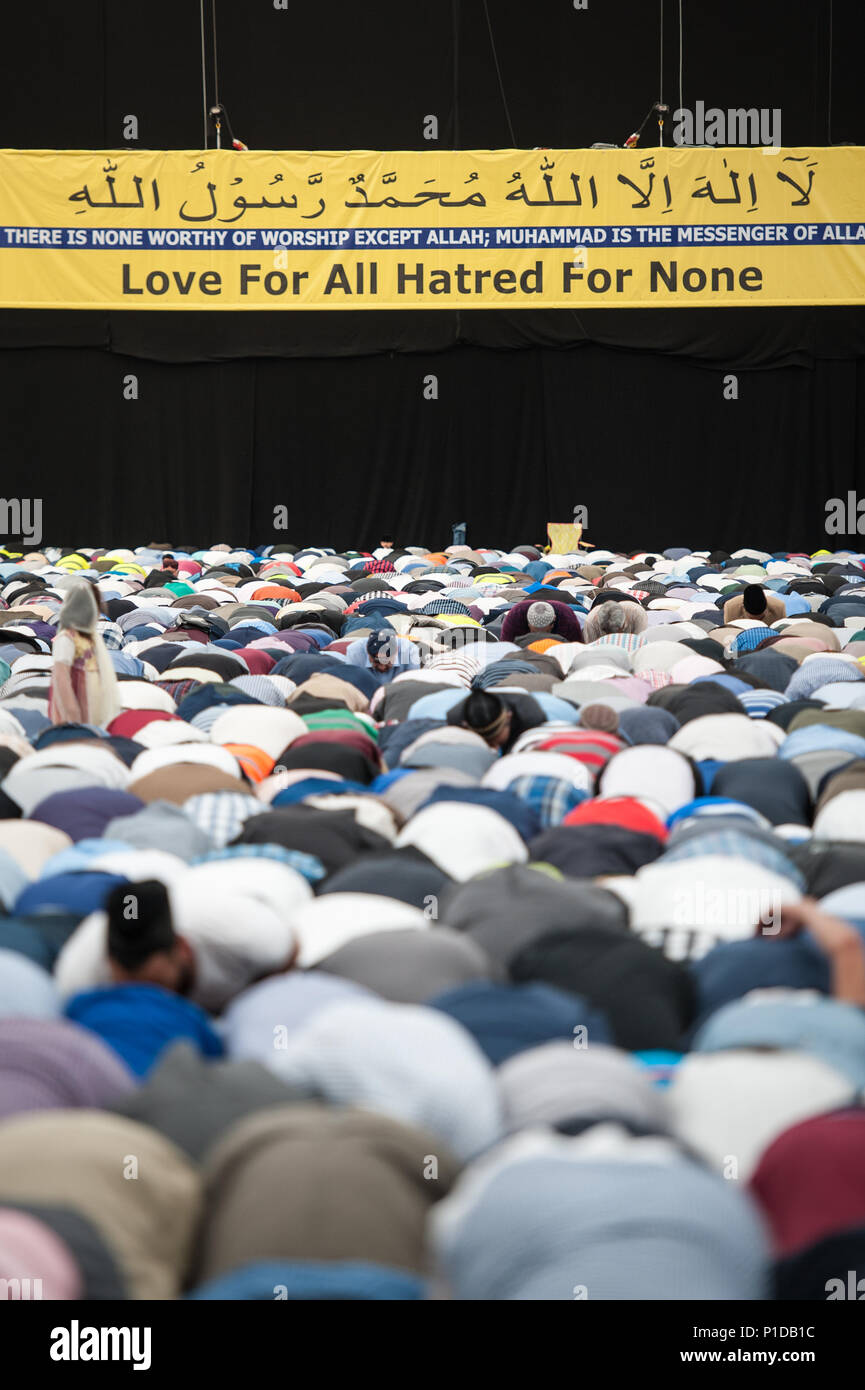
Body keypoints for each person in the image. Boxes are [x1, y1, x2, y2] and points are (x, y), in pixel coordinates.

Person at [48, 579, 120, 726]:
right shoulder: (66, 638)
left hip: (95, 705)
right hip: (76, 709)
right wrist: (72, 713)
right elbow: (61, 677)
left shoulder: (91, 637)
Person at [450, 690, 544, 754]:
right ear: (465, 726)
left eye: (495, 741)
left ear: (508, 717)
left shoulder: (529, 715)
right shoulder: (456, 719)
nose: (494, 749)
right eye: (486, 741)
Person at [344, 630, 422, 683]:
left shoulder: (410, 650)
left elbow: (412, 685)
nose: (382, 667)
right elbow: (352, 685)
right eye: (377, 661)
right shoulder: (355, 652)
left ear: (396, 651)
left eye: (387, 661)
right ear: (367, 652)